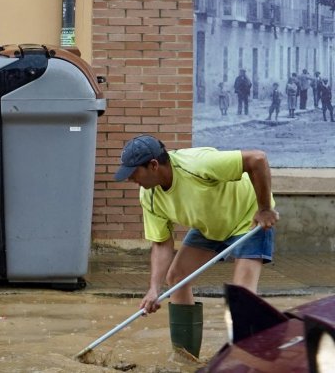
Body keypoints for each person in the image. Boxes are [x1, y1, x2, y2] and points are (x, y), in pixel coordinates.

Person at [115, 135, 278, 358]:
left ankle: (248, 361)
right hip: (209, 225)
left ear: (153, 165)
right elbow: (162, 243)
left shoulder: (197, 165)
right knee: (176, 279)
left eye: (133, 173)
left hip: (247, 219)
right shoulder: (149, 195)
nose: (130, 179)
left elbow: (257, 159)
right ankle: (186, 359)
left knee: (242, 297)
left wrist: (265, 208)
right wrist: (154, 288)